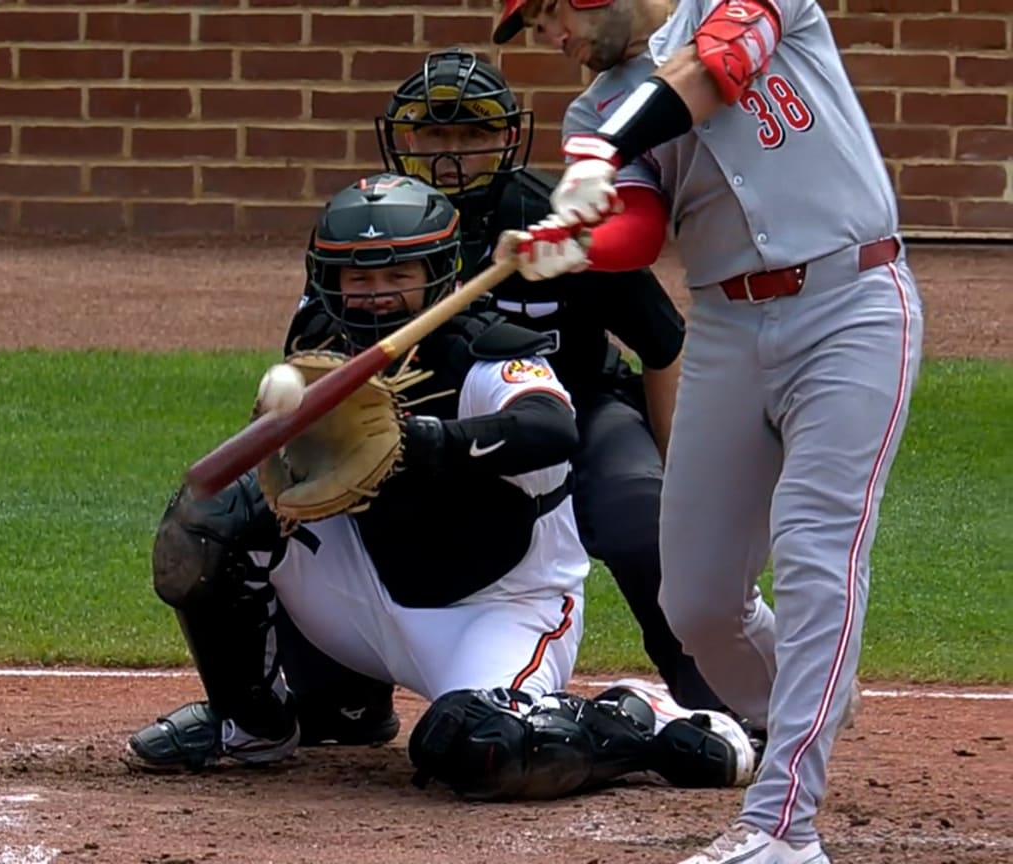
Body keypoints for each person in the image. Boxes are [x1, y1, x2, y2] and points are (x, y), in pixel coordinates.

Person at [122, 171, 759, 804]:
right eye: (357, 279)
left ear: (439, 275)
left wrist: (422, 443)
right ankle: (252, 724)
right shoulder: (319, 350)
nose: (376, 296)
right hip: (359, 592)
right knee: (211, 523)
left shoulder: (488, 352)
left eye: (396, 275)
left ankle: (637, 719)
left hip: (497, 610)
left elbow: (550, 428)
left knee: (484, 747)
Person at [492, 1, 923, 861]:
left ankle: (783, 828)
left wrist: (603, 147)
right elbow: (639, 227)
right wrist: (570, 245)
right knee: (695, 601)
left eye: (547, 15)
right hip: (726, 329)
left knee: (816, 552)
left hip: (850, 305)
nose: (552, 39)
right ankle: (809, 690)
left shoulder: (734, 6)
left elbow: (712, 66)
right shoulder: (594, 107)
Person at [369, 48, 730, 713]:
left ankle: (718, 697)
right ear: (406, 139)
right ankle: (338, 696)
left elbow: (663, 343)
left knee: (642, 521)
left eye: (472, 135)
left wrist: (682, 476)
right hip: (435, 425)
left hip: (578, 408)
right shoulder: (373, 226)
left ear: (508, 137)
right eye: (436, 134)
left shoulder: (554, 223)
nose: (453, 155)